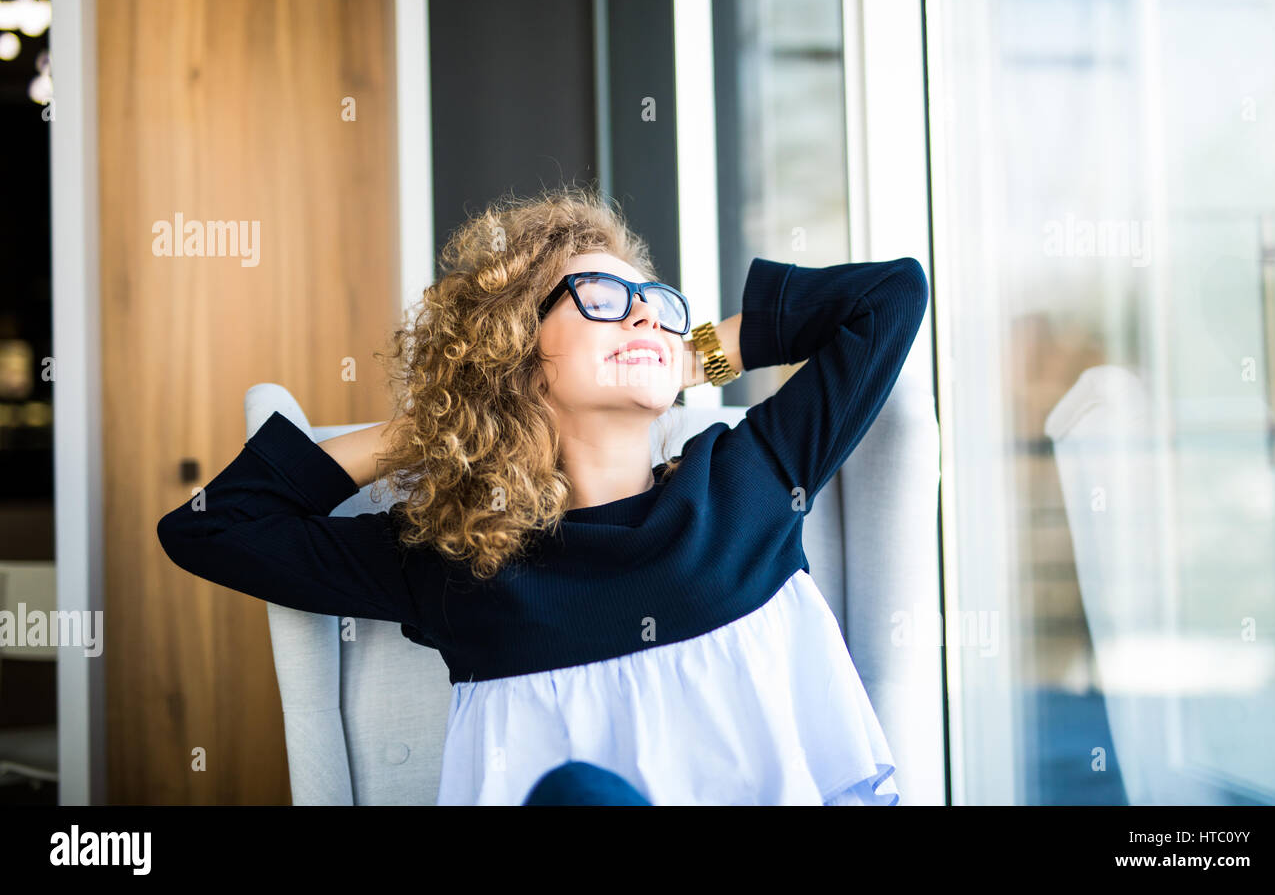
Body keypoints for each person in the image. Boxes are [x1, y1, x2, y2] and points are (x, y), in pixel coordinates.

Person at [157, 184, 929, 805]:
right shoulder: (456, 560)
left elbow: (891, 296)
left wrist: (687, 357)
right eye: (599, 295)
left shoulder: (751, 478)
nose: (641, 313)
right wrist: (447, 419)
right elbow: (212, 528)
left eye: (657, 305)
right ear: (518, 352)